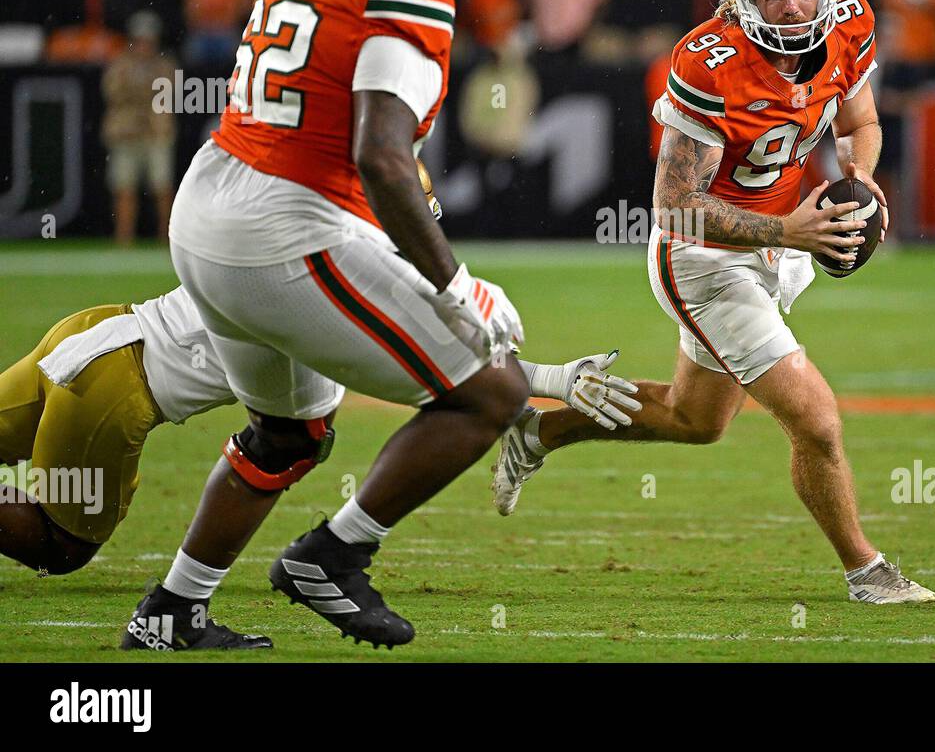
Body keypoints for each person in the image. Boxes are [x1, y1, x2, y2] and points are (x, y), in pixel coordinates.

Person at [119, 0, 545, 651]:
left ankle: (171, 609)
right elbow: (382, 159)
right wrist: (452, 287)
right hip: (279, 226)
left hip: (209, 207)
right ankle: (333, 556)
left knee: (288, 433)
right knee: (493, 393)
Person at [492, 0, 935, 606]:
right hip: (704, 259)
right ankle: (867, 572)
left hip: (780, 235)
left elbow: (861, 122)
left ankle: (539, 431)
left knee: (696, 422)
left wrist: (861, 182)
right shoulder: (711, 62)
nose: (794, 4)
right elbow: (676, 205)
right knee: (816, 419)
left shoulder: (848, 17)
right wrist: (791, 231)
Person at [0, 181, 637, 590]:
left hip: (95, 332)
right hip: (112, 388)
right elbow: (428, 371)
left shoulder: (291, 238)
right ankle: (180, 607)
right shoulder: (323, 285)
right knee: (61, 546)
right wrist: (549, 380)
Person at [100, 10, 178, 245]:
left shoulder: (165, 66)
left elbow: (166, 96)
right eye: (140, 40)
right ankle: (124, 239)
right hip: (125, 133)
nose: (144, 45)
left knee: (162, 186)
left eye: (149, 40)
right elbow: (112, 93)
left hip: (156, 133)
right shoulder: (120, 65)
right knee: (124, 187)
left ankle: (167, 238)